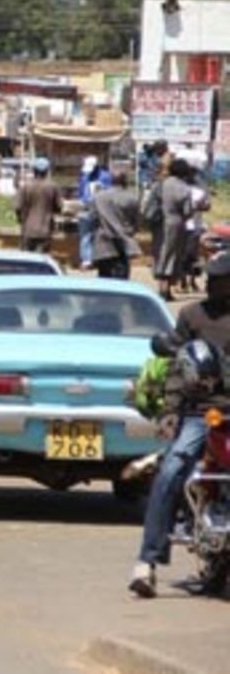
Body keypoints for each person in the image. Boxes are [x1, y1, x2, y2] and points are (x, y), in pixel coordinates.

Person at [130, 254, 230, 598]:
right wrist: (171, 411)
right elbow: (176, 366)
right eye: (210, 279)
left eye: (220, 280)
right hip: (201, 413)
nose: (212, 286)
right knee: (171, 469)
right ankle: (147, 562)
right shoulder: (192, 315)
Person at [156, 159, 196, 301]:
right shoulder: (184, 188)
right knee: (173, 255)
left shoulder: (164, 183)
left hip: (161, 221)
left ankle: (161, 287)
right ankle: (166, 289)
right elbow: (187, 211)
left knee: (162, 253)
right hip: (176, 222)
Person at [92, 171, 142, 280]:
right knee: (122, 279)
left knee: (104, 278)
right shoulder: (131, 198)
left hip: (103, 243)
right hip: (123, 243)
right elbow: (136, 222)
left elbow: (93, 218)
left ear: (111, 181)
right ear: (125, 181)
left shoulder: (99, 197)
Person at [15, 158, 61, 253]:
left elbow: (18, 207)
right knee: (41, 258)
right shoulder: (53, 187)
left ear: (34, 171)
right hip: (45, 230)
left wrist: (21, 219)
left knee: (26, 258)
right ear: (47, 171)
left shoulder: (26, 187)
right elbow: (59, 207)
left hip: (28, 230)